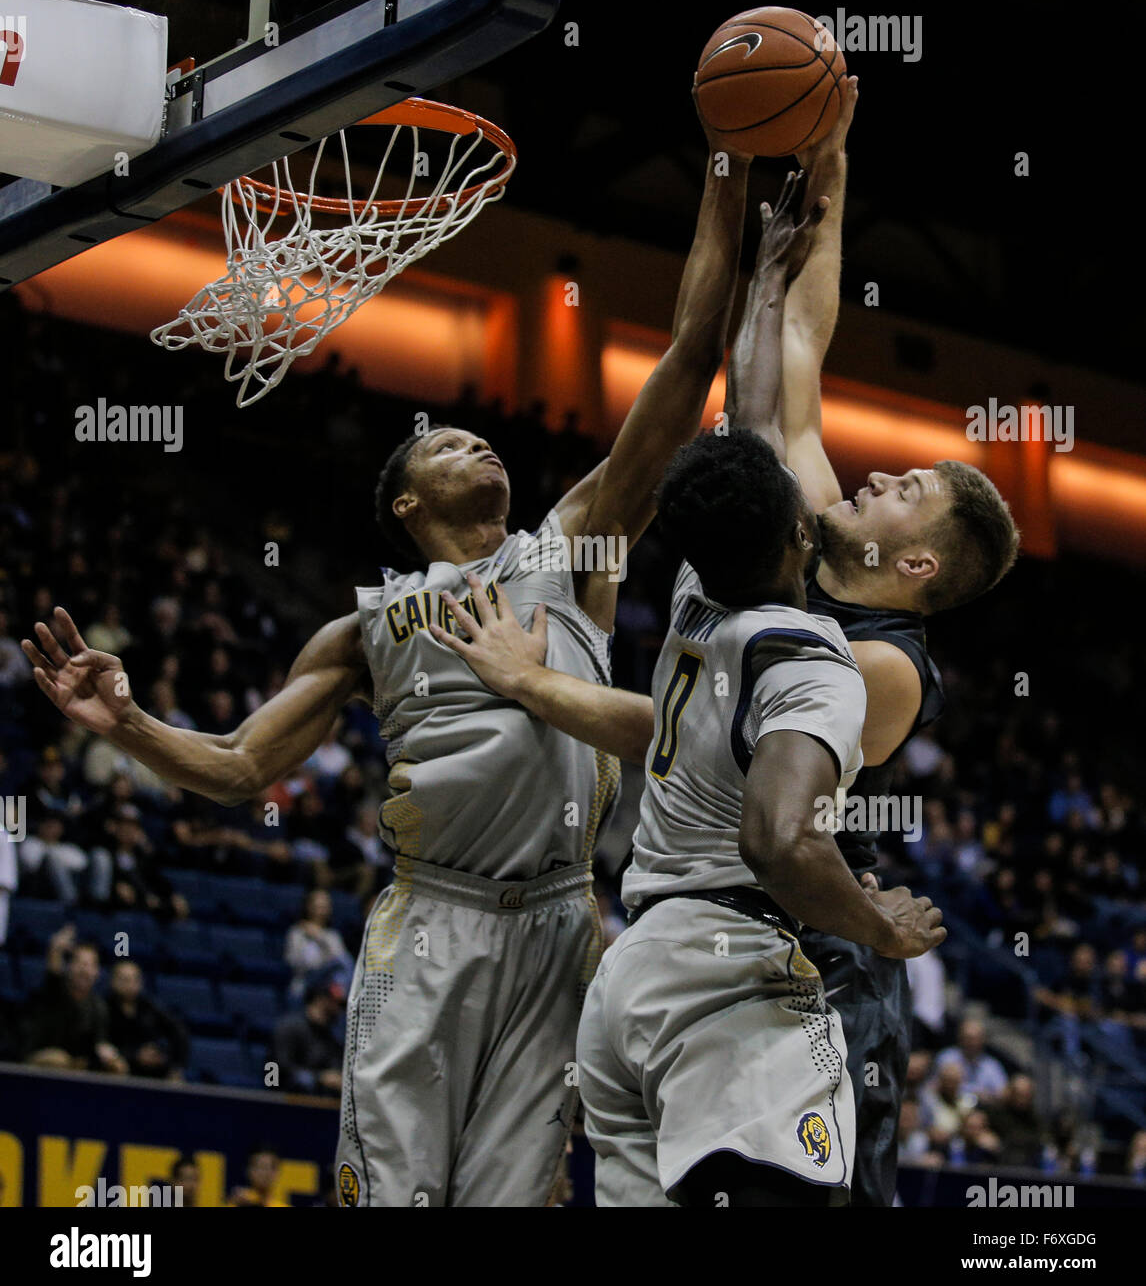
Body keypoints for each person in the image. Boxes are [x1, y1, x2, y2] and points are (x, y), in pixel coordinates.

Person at [22, 105, 757, 1208]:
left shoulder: (573, 549)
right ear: (408, 500)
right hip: (434, 915)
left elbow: (690, 353)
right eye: (450, 443)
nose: (481, 440)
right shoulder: (362, 627)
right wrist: (126, 723)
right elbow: (235, 768)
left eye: (484, 437)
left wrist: (725, 165)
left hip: (560, 920)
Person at [433, 189, 944, 1206]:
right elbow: (780, 842)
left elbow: (751, 421)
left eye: (904, 490)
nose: (861, 483)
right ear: (795, 537)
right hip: (728, 970)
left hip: (634, 976)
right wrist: (882, 929)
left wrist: (758, 282)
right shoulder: (816, 658)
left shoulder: (700, 601)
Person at [720, 75, 1019, 1204]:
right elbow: (797, 351)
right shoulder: (807, 543)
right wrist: (827, 167)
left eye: (909, 490)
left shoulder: (888, 670)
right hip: (731, 932)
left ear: (919, 565)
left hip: (829, 966)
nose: (880, 471)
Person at [21, 925, 127, 1073]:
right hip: (42, 1056)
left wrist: (108, 1054)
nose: (85, 970)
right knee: (60, 1059)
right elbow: (54, 971)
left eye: (91, 965)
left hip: (79, 1062)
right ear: (69, 967)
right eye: (80, 963)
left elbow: (99, 1042)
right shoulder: (55, 990)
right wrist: (56, 949)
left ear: (98, 972)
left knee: (117, 1066)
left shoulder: (98, 1006)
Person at [105, 960, 189, 1080]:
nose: (130, 985)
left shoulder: (149, 1006)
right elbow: (102, 1043)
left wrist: (176, 1065)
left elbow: (178, 1031)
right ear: (113, 981)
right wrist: (135, 1055)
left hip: (150, 1070)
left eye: (135, 979)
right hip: (118, 1067)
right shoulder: (104, 1007)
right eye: (125, 980)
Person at [271, 982, 345, 1095]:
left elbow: (336, 1066)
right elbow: (276, 1067)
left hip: (320, 1100)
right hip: (284, 1097)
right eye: (336, 1003)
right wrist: (319, 1078)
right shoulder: (289, 1027)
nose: (339, 1009)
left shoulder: (332, 1037)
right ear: (321, 999)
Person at [933, 1018, 1008, 1100]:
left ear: (983, 1040)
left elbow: (1002, 1094)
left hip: (981, 1109)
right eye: (967, 1038)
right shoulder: (946, 1057)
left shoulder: (991, 1065)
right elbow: (932, 1086)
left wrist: (987, 1096)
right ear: (960, 1038)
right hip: (948, 1105)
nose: (971, 1042)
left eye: (975, 1038)